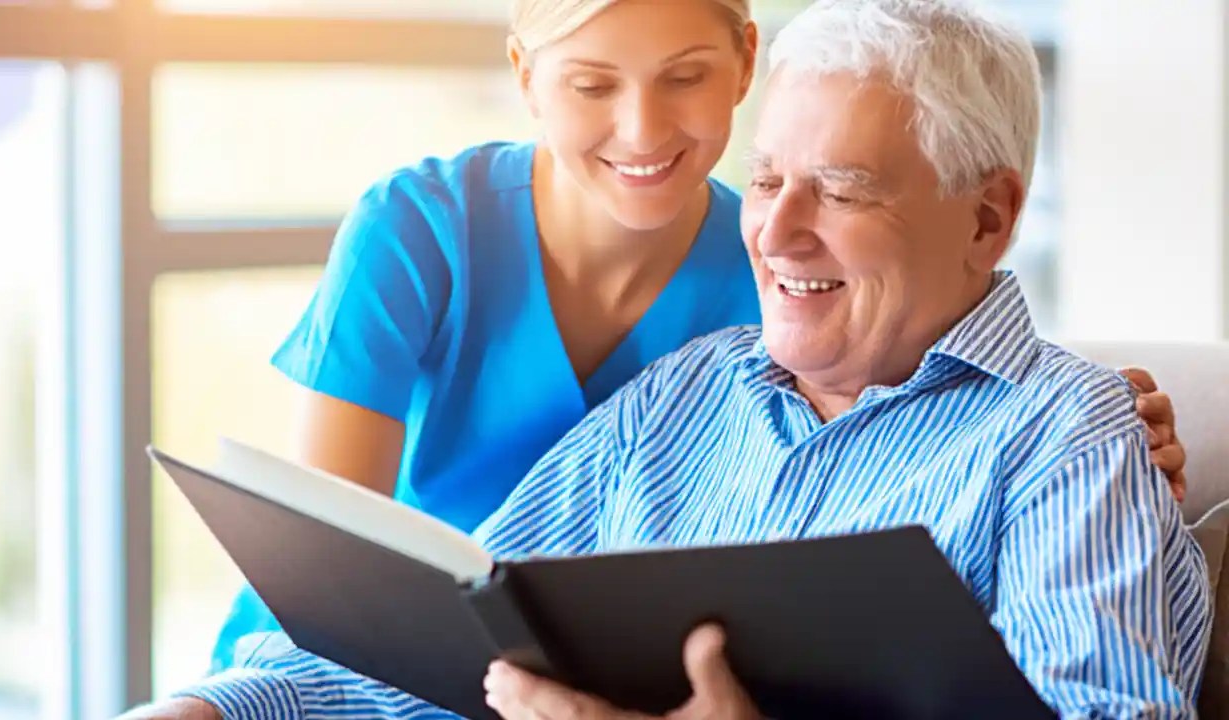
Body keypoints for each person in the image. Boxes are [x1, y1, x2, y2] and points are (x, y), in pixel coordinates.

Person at [129, 1, 1211, 718]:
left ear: (985, 220)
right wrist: (212, 708)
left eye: (838, 188)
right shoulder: (684, 392)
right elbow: (446, 641)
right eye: (771, 178)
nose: (773, 232)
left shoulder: (1058, 437)